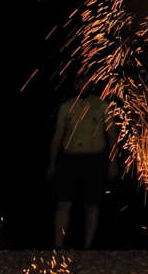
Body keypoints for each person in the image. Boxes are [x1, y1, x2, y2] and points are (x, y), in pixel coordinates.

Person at [48, 82, 119, 249]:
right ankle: (58, 247)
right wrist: (52, 163)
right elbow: (57, 136)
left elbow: (112, 136)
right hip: (70, 158)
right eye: (80, 82)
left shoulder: (101, 106)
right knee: (63, 203)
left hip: (94, 159)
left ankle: (88, 248)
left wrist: (113, 162)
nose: (83, 85)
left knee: (92, 204)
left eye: (86, 82)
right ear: (75, 84)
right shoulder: (67, 106)